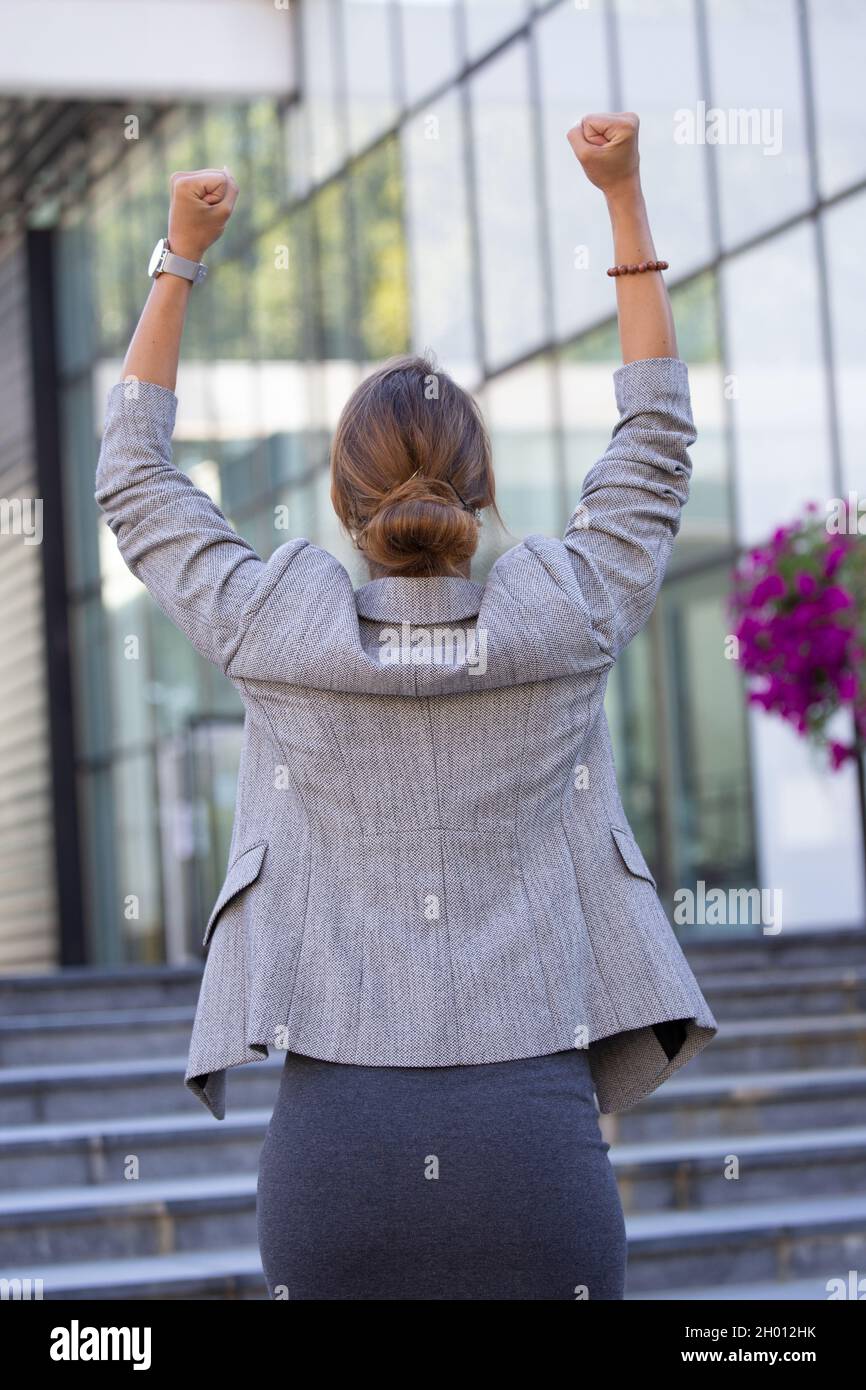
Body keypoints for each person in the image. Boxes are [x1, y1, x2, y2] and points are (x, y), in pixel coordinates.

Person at [94, 112, 717, 1301]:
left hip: (336, 1162)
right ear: (478, 495)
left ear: (343, 504)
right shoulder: (565, 618)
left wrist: (178, 255)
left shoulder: (273, 632)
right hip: (533, 1154)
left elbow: (134, 476)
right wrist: (623, 199)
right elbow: (655, 440)